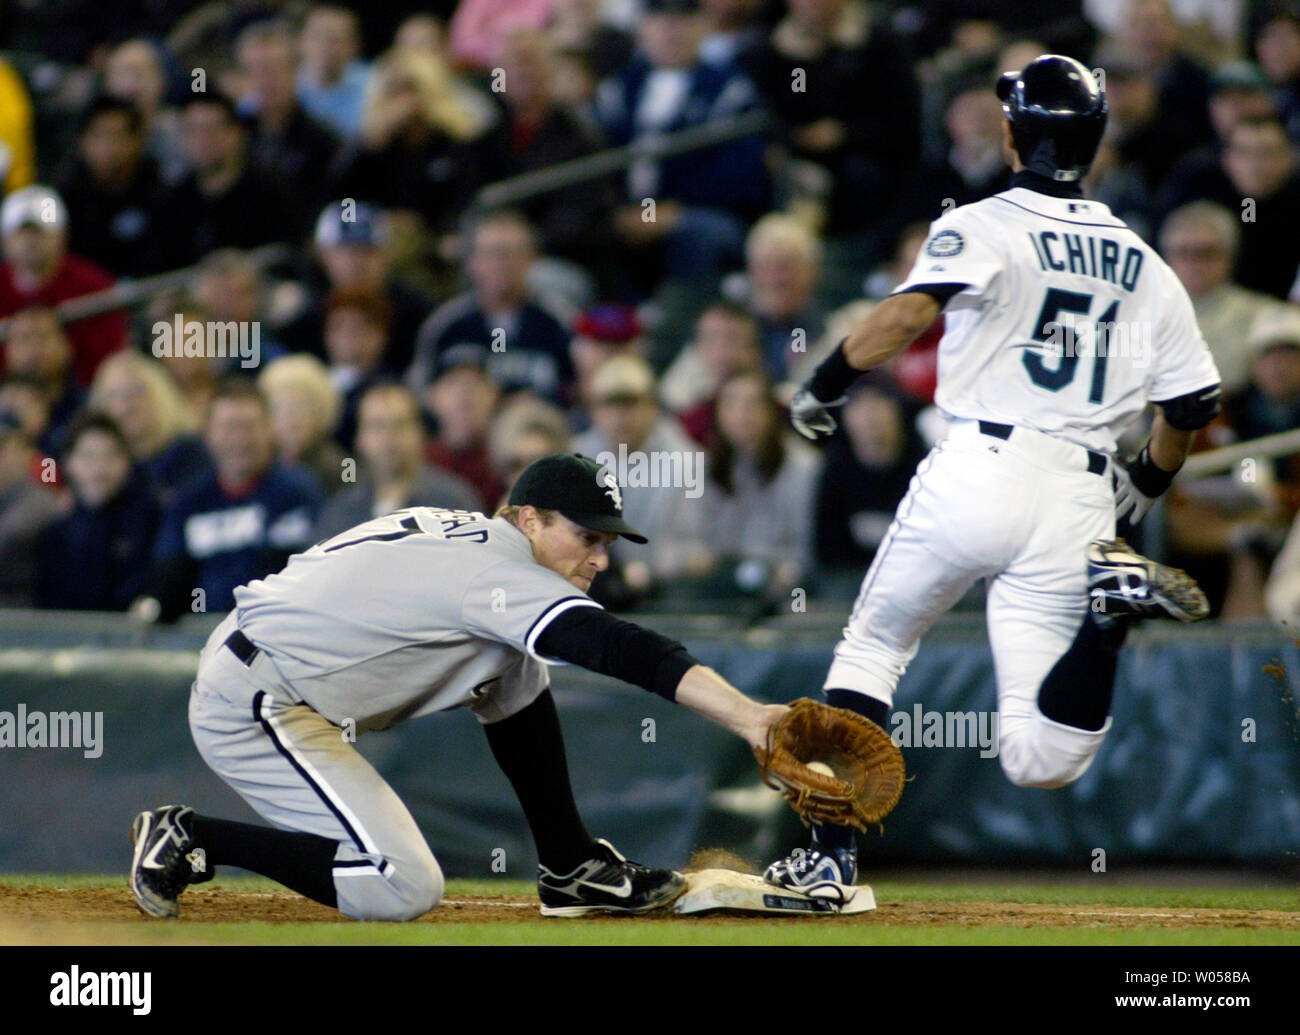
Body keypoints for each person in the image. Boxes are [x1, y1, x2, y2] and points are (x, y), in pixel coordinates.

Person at [763, 56, 1221, 900]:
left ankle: (829, 855)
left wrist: (825, 381)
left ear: (1012, 135)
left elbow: (907, 314)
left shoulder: (984, 221)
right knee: (1041, 757)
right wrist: (1149, 484)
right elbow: (1192, 403)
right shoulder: (1146, 261)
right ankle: (1107, 622)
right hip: (1081, 491)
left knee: (875, 644)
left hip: (983, 458)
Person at [127, 452, 787, 921]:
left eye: (607, 540)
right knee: (403, 885)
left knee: (515, 660)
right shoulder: (493, 573)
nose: (599, 556)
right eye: (586, 535)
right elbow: (619, 647)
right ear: (529, 520)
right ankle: (194, 837)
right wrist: (749, 716)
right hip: (252, 698)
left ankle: (569, 865)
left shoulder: (476, 543)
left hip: (285, 674)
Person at [137, 377, 322, 623]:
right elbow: (168, 577)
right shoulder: (189, 501)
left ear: (269, 430)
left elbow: (309, 576)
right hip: (201, 636)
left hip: (278, 631)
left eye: (249, 427)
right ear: (209, 434)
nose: (240, 439)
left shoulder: (297, 493)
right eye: (229, 427)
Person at [312, 381, 481, 539]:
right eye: (378, 426)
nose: (389, 437)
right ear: (359, 438)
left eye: (400, 424)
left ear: (420, 432)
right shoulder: (342, 511)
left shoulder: (453, 503)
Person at [37, 411, 161, 611]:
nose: (99, 469)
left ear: (127, 461)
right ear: (69, 462)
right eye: (88, 457)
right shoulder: (54, 534)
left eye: (110, 456)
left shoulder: (151, 521)